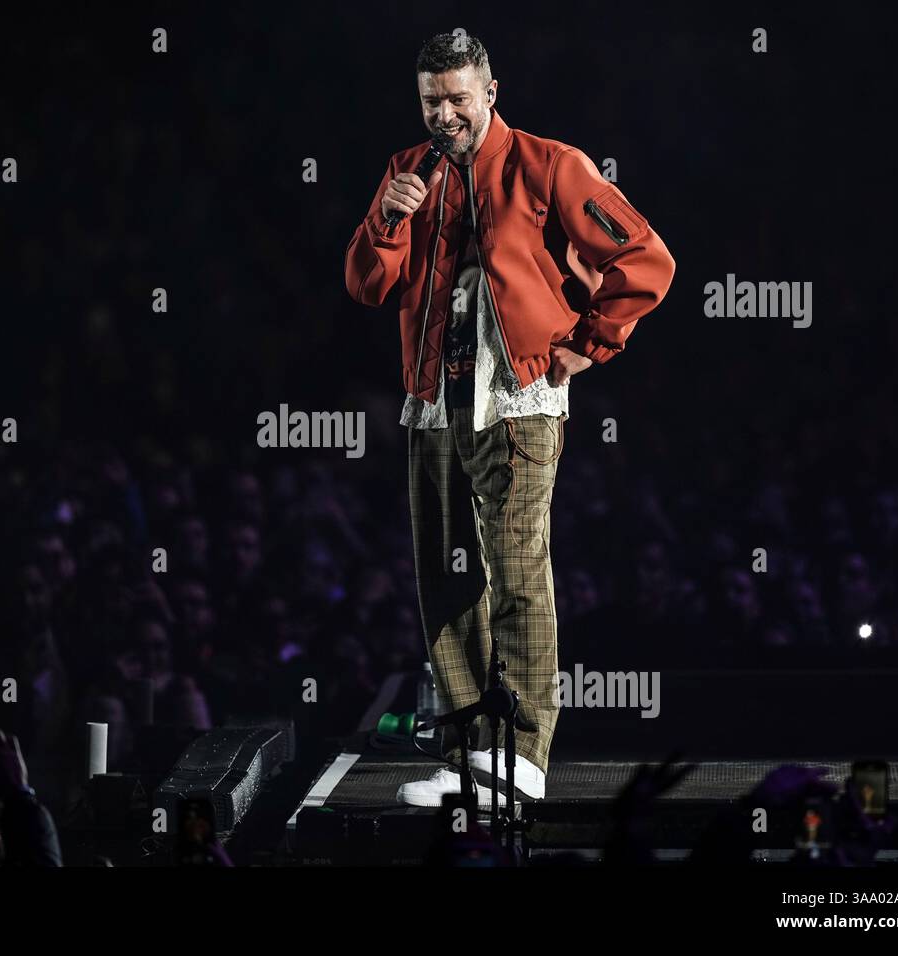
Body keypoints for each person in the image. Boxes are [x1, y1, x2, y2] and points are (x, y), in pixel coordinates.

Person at [344, 33, 675, 806]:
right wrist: (387, 221)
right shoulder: (406, 172)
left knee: (517, 566)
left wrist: (592, 344)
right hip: (433, 403)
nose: (447, 113)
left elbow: (647, 259)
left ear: (491, 91)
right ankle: (470, 758)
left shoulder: (551, 164)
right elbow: (366, 285)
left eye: (460, 97)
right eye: (433, 101)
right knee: (446, 575)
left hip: (520, 401)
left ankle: (522, 755)